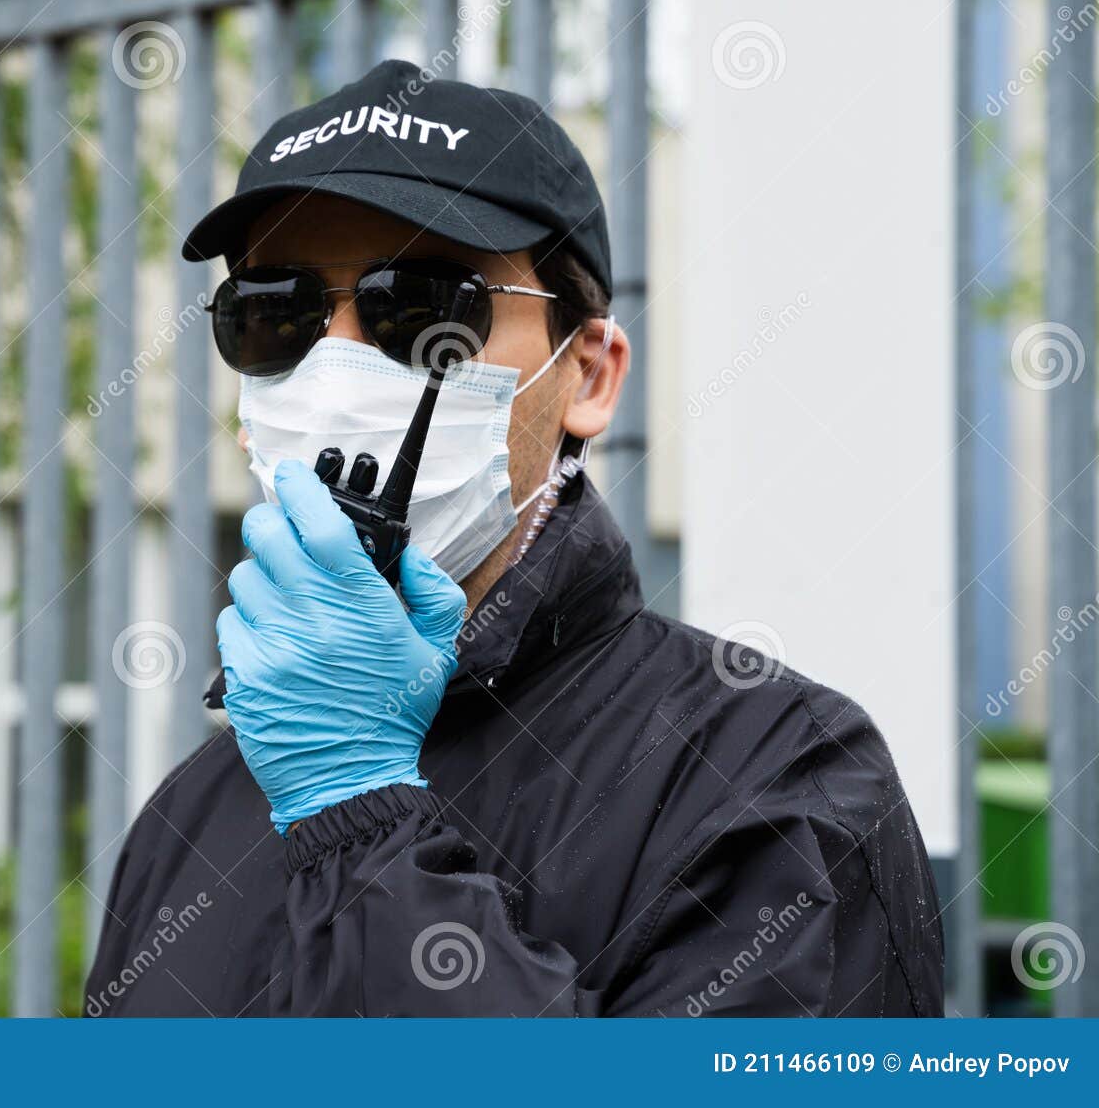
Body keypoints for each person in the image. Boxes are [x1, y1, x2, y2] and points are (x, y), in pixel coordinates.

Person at [85, 60, 944, 1017]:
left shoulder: (777, 780)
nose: (336, 367)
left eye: (420, 307)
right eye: (274, 312)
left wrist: (360, 818)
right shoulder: (193, 813)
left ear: (589, 376)